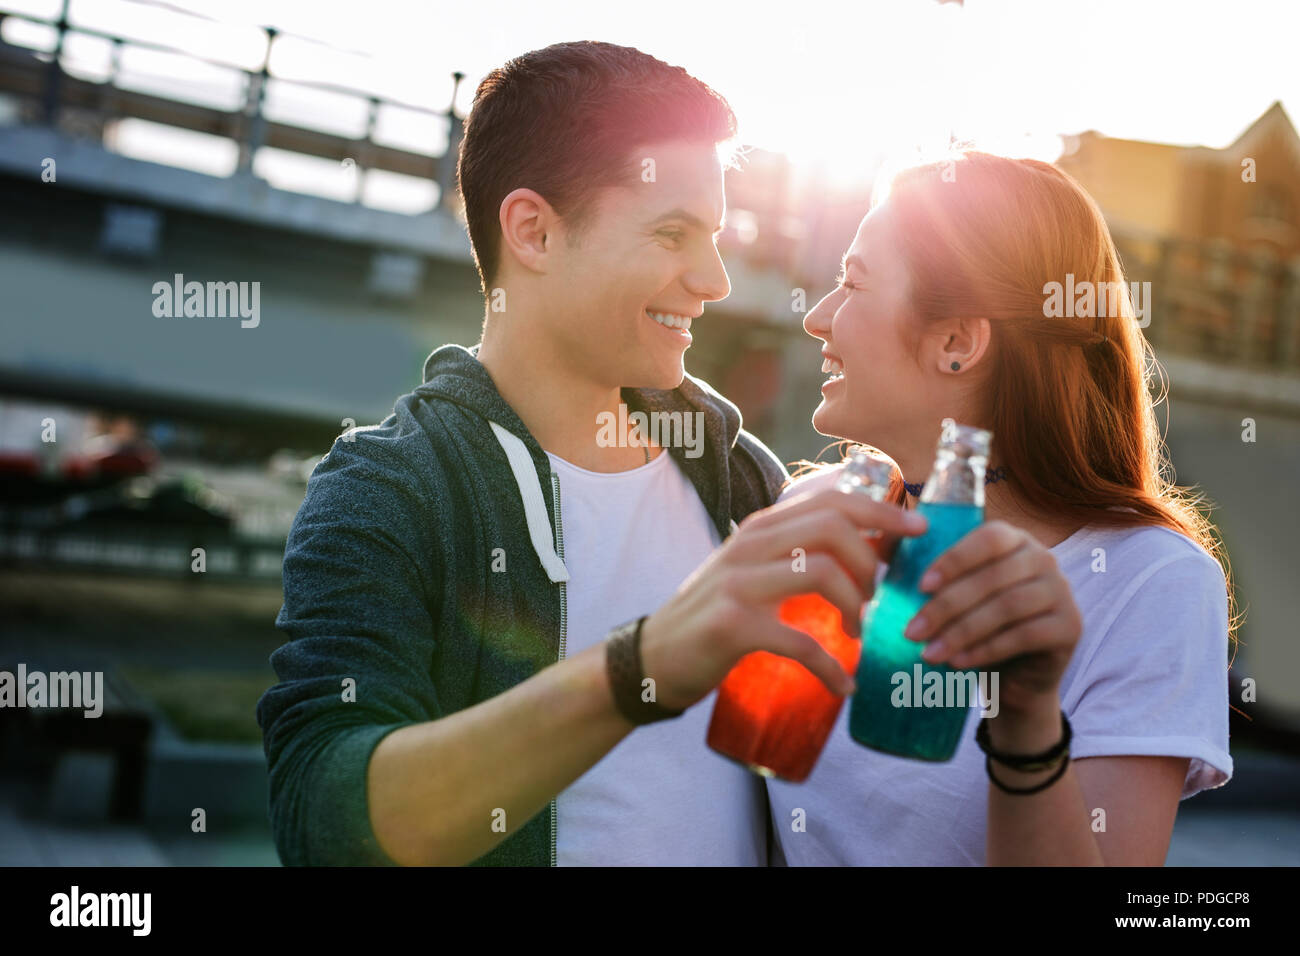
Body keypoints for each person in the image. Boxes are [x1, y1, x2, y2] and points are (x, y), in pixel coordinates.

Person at [255, 40, 918, 866]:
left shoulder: (739, 476)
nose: (714, 279)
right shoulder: (391, 489)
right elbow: (324, 819)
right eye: (673, 233)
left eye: (714, 236)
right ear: (533, 231)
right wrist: (642, 666)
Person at [766, 151, 1235, 865]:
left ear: (957, 341)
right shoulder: (814, 512)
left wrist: (1024, 717)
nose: (818, 318)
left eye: (851, 283)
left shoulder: (1151, 582)